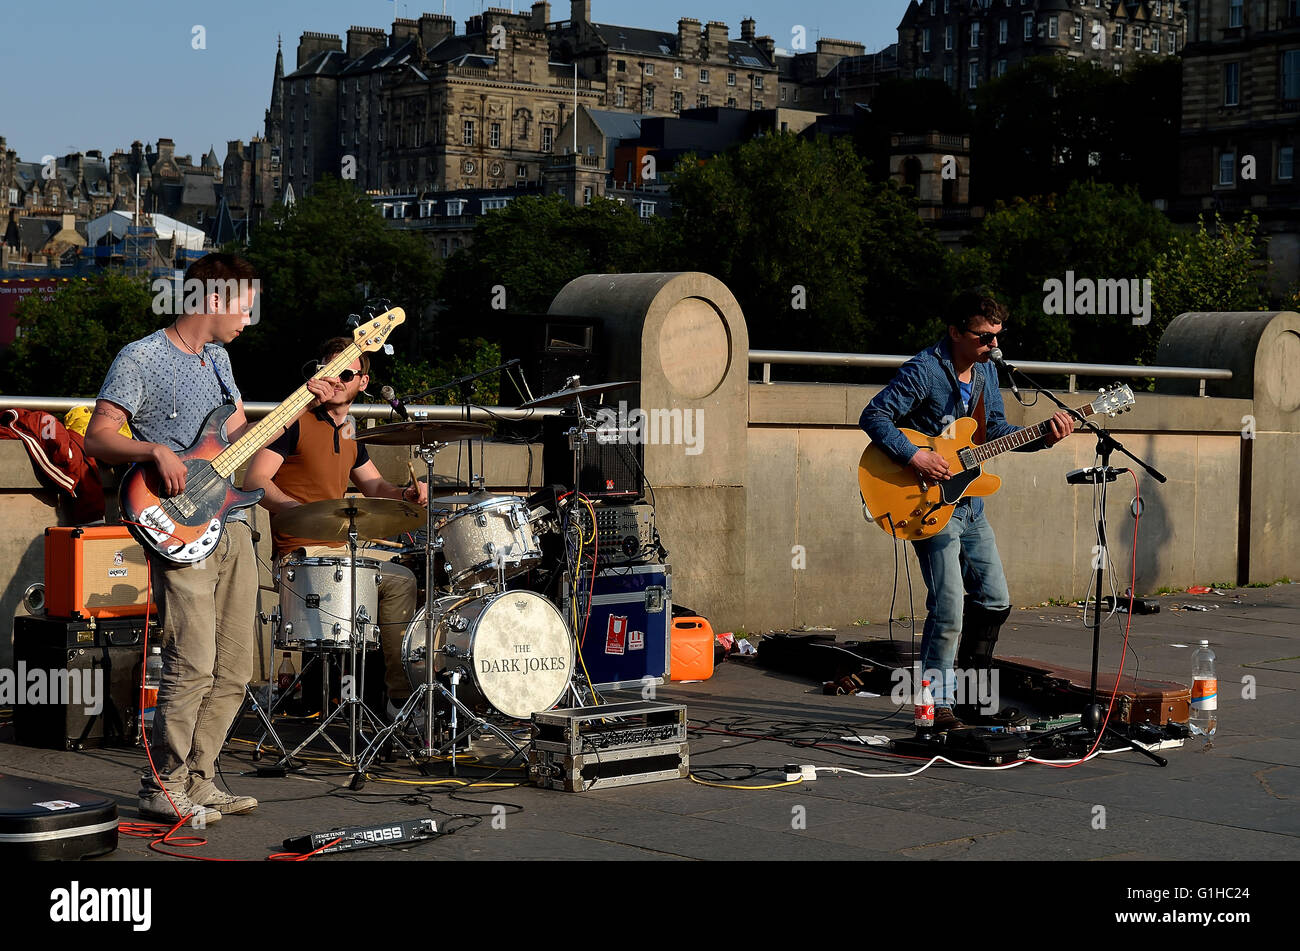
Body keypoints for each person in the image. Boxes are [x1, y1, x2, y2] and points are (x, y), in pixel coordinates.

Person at [86, 252, 262, 826]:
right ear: (213, 300)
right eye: (245, 306)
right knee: (193, 663)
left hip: (232, 523)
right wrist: (153, 450)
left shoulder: (219, 361)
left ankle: (200, 779)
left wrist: (305, 399)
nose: (250, 318)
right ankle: (161, 783)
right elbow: (99, 438)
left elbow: (237, 441)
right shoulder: (140, 357)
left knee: (236, 669)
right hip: (178, 523)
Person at [860, 290, 1075, 731]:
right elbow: (875, 415)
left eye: (997, 337)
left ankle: (973, 693)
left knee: (996, 598)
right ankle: (936, 705)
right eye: (982, 337)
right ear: (955, 331)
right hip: (928, 502)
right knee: (949, 605)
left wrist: (1045, 437)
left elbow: (995, 431)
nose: (992, 347)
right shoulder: (924, 370)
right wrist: (914, 457)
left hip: (970, 502)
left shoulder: (984, 374)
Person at [243, 337, 428, 721]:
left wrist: (406, 494)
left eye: (346, 373)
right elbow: (254, 480)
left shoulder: (350, 431)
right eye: (330, 370)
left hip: (340, 551)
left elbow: (375, 487)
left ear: (362, 381)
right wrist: (293, 509)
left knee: (409, 575)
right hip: (302, 556)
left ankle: (397, 696)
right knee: (394, 582)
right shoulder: (292, 421)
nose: (337, 380)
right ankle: (391, 699)